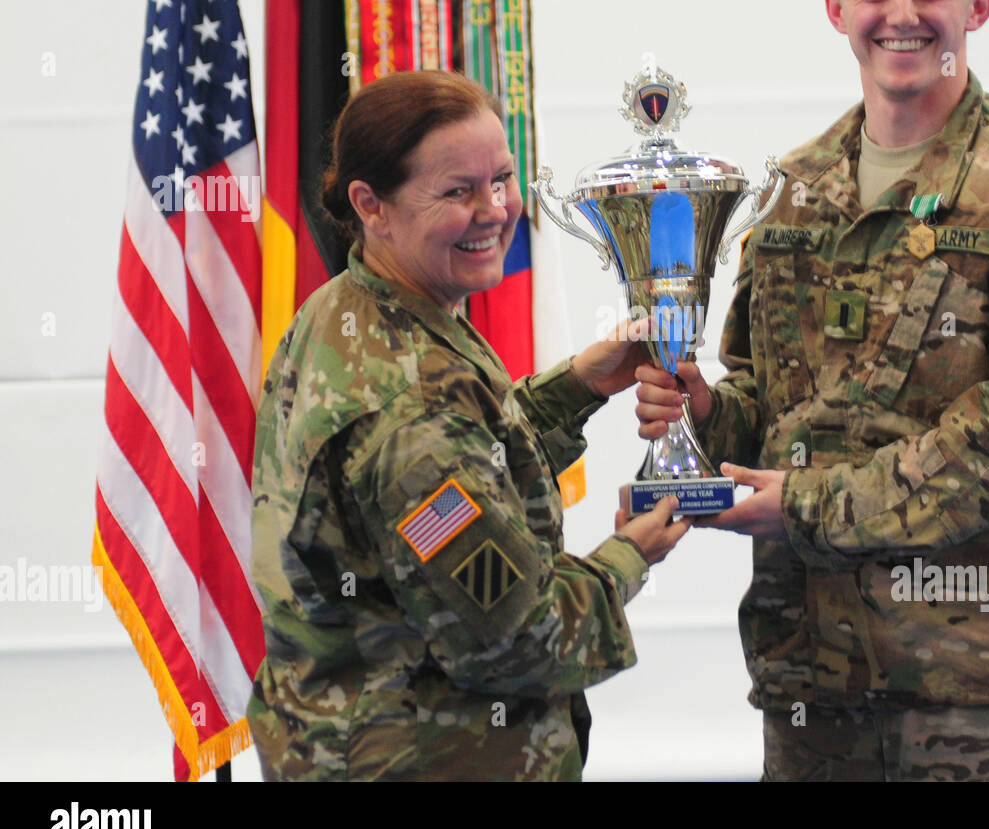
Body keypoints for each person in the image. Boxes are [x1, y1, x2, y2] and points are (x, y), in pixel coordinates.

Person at [636, 0, 989, 781]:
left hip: (986, 686)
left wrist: (804, 505)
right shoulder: (797, 189)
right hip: (815, 680)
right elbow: (775, 404)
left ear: (977, 6)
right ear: (836, 11)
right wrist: (707, 414)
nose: (901, 15)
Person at [248, 69, 690, 781]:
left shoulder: (354, 308)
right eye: (457, 191)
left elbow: (466, 468)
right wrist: (628, 557)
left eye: (503, 179)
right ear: (371, 204)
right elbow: (516, 638)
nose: (495, 210)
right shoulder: (408, 408)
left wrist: (577, 386)